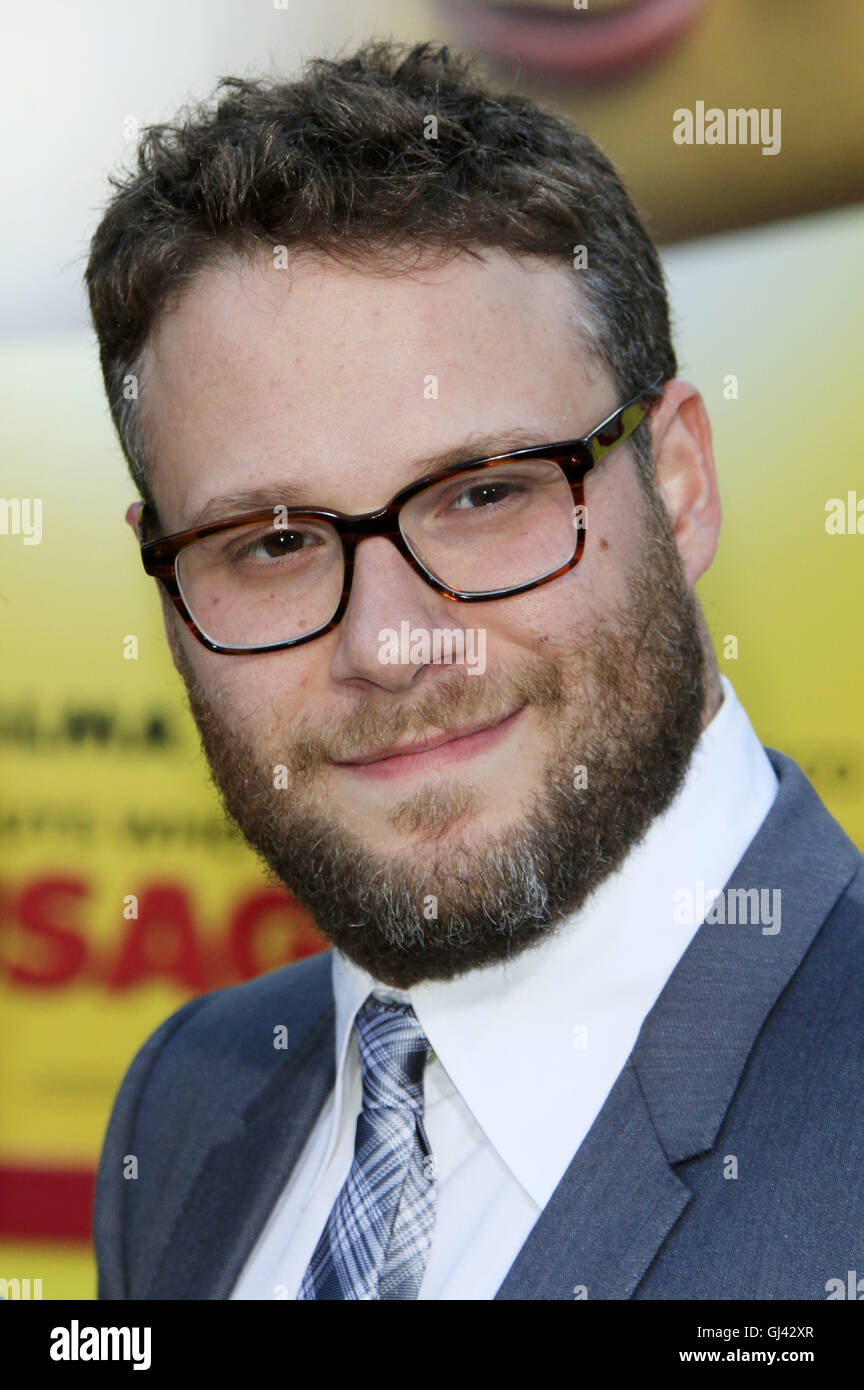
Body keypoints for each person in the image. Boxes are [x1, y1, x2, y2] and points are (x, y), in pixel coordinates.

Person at [85, 40, 864, 1300]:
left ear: (679, 484)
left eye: (483, 492)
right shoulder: (186, 1105)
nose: (389, 646)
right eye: (273, 542)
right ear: (166, 585)